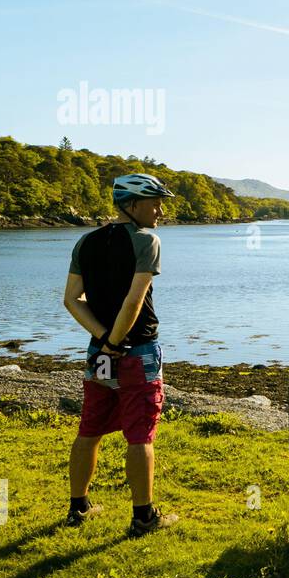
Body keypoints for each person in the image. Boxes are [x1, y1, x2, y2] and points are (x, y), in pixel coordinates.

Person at [61, 173, 179, 536]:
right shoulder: (147, 241)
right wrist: (116, 340)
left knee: (90, 427)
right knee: (140, 434)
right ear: (132, 205)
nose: (160, 210)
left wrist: (103, 340)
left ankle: (77, 507)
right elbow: (134, 300)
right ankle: (144, 516)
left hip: (98, 352)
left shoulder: (86, 241)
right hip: (138, 350)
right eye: (154, 202)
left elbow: (71, 300)